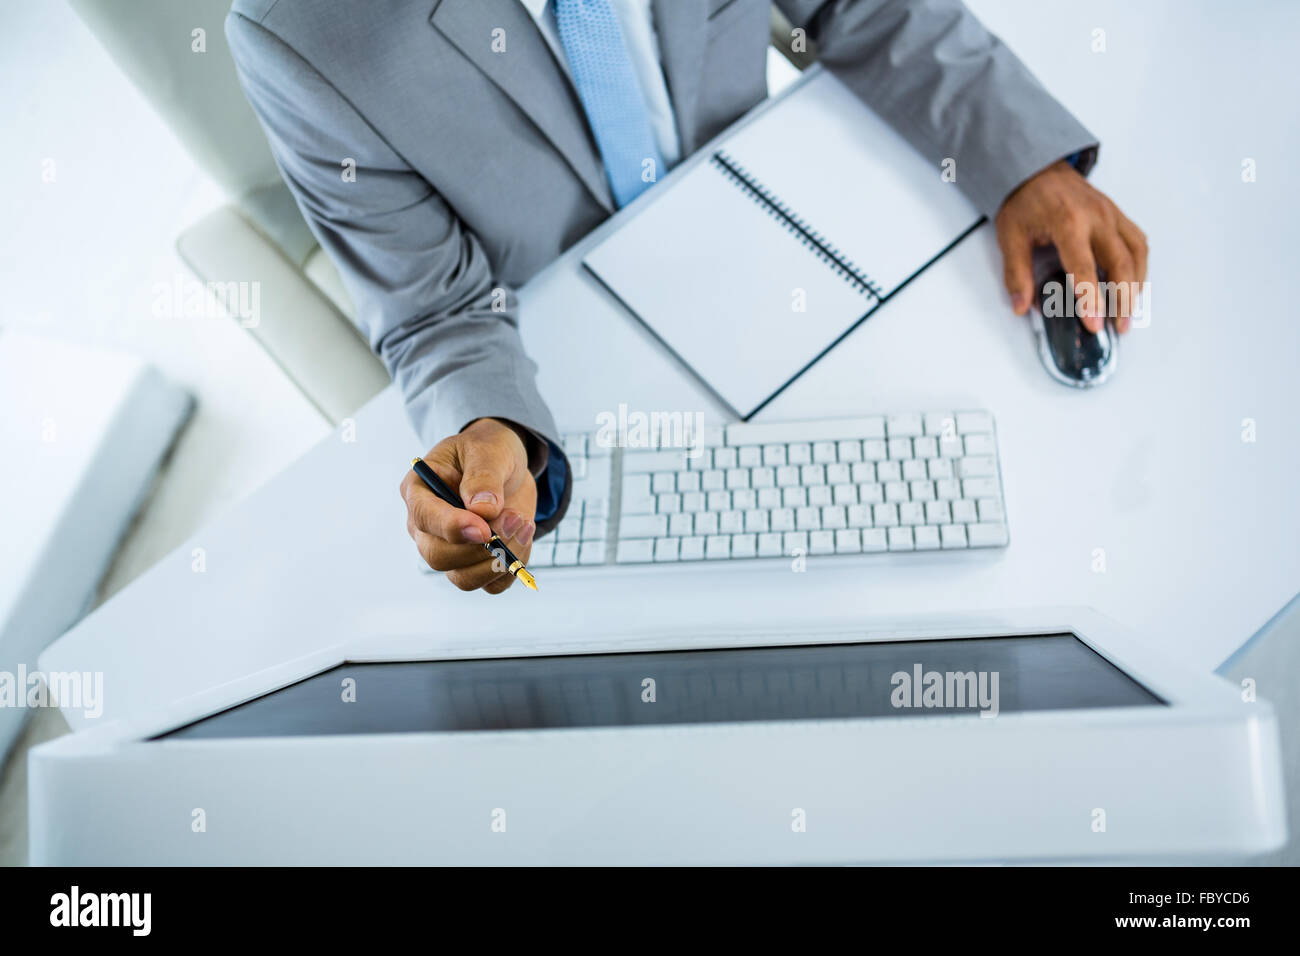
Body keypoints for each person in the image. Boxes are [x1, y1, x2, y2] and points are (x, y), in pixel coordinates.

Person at [228, 0, 1147, 594]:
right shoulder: (302, 34)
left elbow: (860, 9)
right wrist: (497, 434)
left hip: (768, 240)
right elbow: (434, 312)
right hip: (584, 342)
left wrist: (1015, 153)